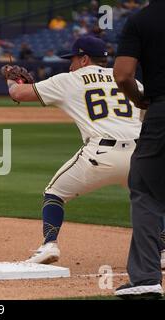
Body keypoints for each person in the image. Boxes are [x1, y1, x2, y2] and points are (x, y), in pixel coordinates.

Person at [1, 36, 145, 265]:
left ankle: (49, 245)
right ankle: (162, 251)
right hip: (140, 154)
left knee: (54, 194)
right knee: (152, 201)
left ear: (85, 58)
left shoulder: (70, 80)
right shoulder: (131, 81)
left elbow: (18, 94)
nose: (70, 65)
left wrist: (12, 80)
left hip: (101, 154)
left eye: (74, 59)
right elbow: (144, 114)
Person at [113, 0, 165, 299]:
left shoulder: (141, 20)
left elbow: (122, 74)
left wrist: (138, 98)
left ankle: (146, 278)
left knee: (145, 188)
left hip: (161, 110)